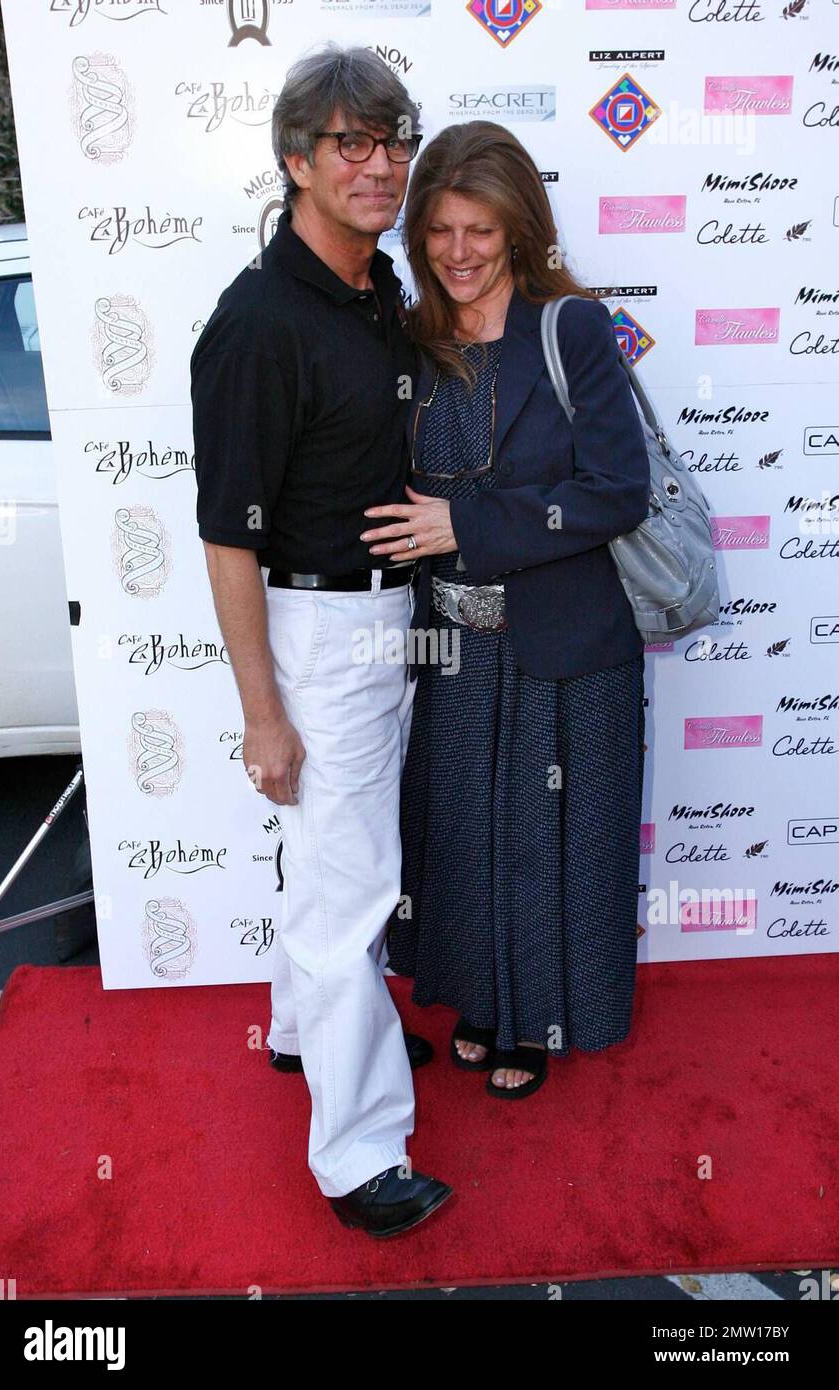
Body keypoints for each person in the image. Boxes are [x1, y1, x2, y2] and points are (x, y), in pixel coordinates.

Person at [190, 44, 452, 1235]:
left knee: (337, 859)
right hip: (318, 627)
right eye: (352, 142)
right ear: (296, 160)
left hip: (388, 621)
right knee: (351, 887)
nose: (380, 165)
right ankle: (358, 1157)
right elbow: (226, 539)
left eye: (394, 141)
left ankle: (303, 1030)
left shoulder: (375, 288)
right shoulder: (257, 325)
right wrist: (262, 714)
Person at [362, 121, 652, 1099]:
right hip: (450, 645)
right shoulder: (410, 340)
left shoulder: (568, 330)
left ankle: (538, 1020)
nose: (458, 252)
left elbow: (617, 491)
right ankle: (483, 1002)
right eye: (439, 229)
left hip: (563, 643)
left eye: (479, 230)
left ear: (518, 228)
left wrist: (468, 523)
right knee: (464, 832)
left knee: (547, 840)